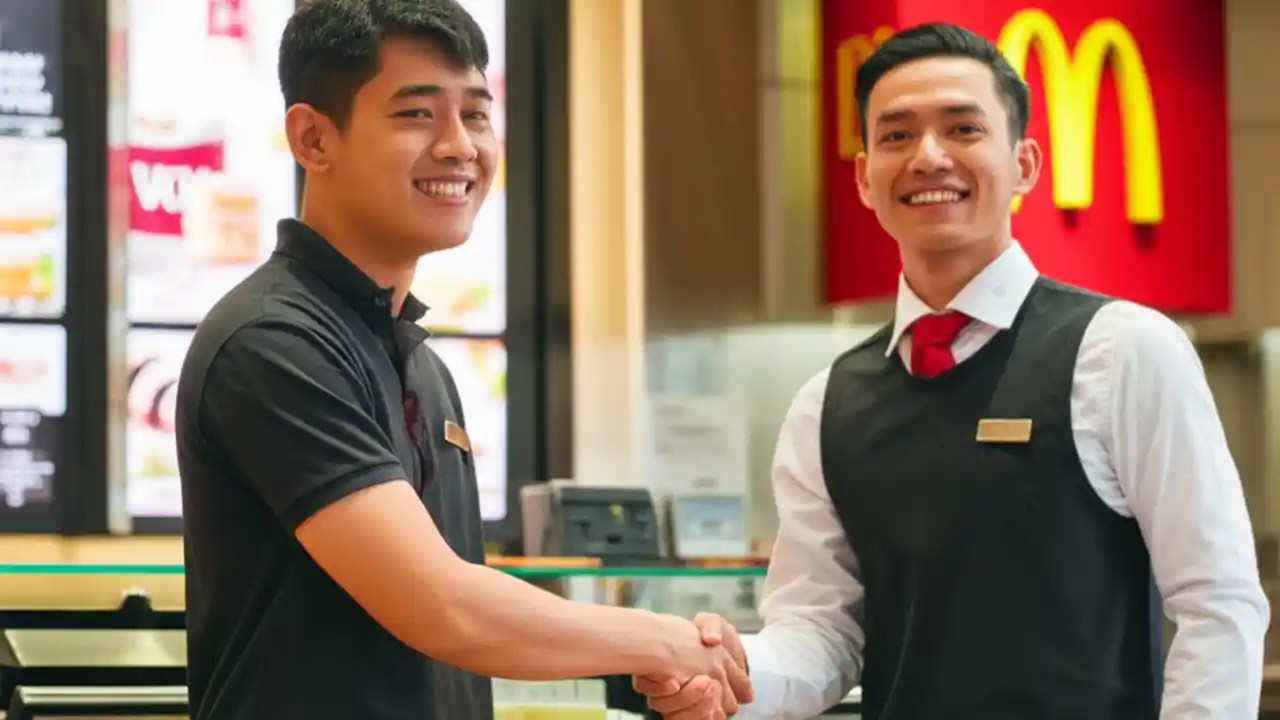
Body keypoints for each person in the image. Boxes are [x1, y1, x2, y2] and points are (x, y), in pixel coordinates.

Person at [635, 21, 1270, 720]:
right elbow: (821, 632)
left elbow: (1217, 602)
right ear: (864, 177)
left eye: (963, 129)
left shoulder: (1123, 351)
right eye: (897, 135)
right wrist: (730, 675)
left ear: (1024, 164)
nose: (928, 157)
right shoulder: (828, 405)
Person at [174, 1, 751, 718]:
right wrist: (658, 641)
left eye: (476, 115)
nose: (459, 146)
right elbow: (442, 605)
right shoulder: (271, 342)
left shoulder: (421, 364)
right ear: (314, 138)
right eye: (417, 114)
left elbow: (456, 623)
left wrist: (664, 665)